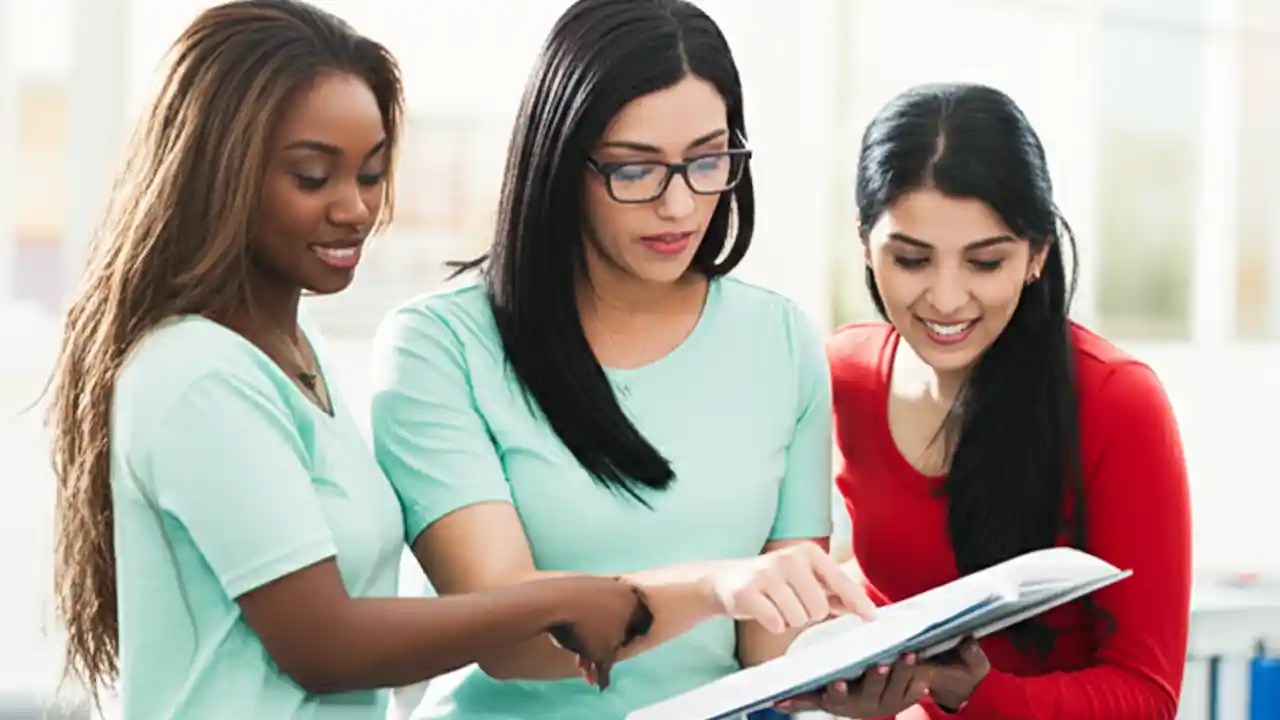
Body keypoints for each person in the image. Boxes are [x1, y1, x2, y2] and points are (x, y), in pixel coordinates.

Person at [45, 2, 654, 718]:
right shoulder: (197, 374)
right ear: (218, 173)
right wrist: (554, 598)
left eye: (369, 174)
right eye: (312, 177)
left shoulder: (303, 358)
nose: (356, 208)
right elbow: (325, 645)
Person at [367, 0, 885, 717]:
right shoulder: (438, 347)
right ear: (558, 163)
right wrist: (712, 585)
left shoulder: (779, 336)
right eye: (634, 171)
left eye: (708, 161)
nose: (678, 206)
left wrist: (851, 669)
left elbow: (768, 652)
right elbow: (505, 637)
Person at [787, 82, 1192, 719]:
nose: (947, 299)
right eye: (913, 259)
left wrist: (970, 693)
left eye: (985, 262)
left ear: (1036, 255)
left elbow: (1147, 696)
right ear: (865, 243)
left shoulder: (1116, 400)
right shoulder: (842, 374)